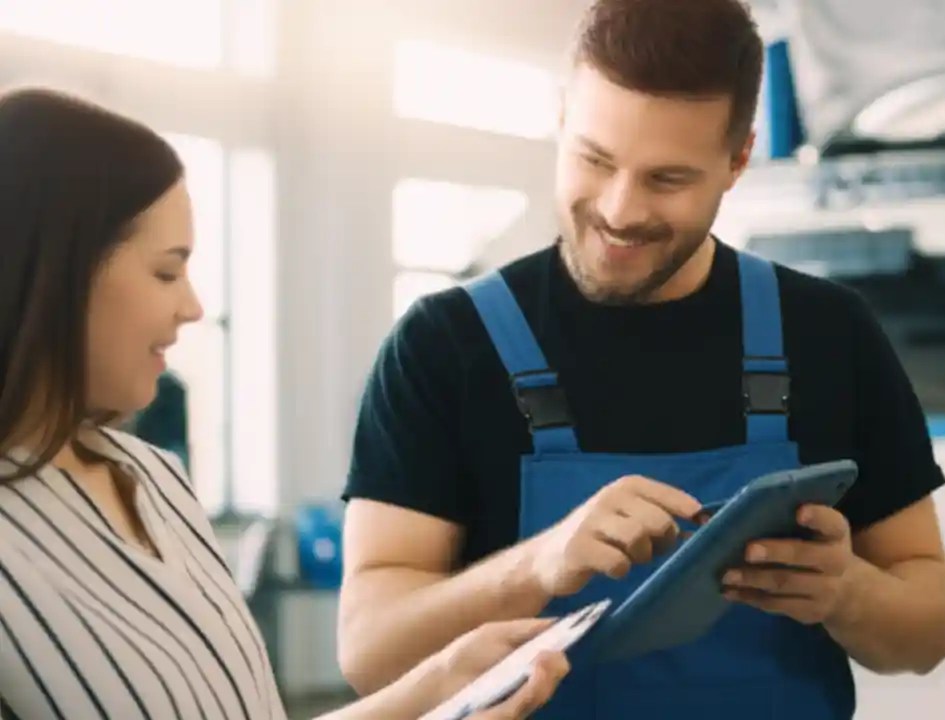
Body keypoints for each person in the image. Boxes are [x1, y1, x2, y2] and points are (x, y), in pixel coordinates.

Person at [339, 0, 945, 717]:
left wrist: (848, 592)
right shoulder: (445, 346)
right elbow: (367, 653)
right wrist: (534, 565)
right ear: (562, 116)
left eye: (668, 180)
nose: (620, 210)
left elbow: (926, 634)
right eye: (594, 160)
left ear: (738, 161)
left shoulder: (828, 333)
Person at [0, 87, 569, 719]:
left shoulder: (154, 479)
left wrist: (439, 682)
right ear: (53, 271)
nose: (191, 307)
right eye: (166, 272)